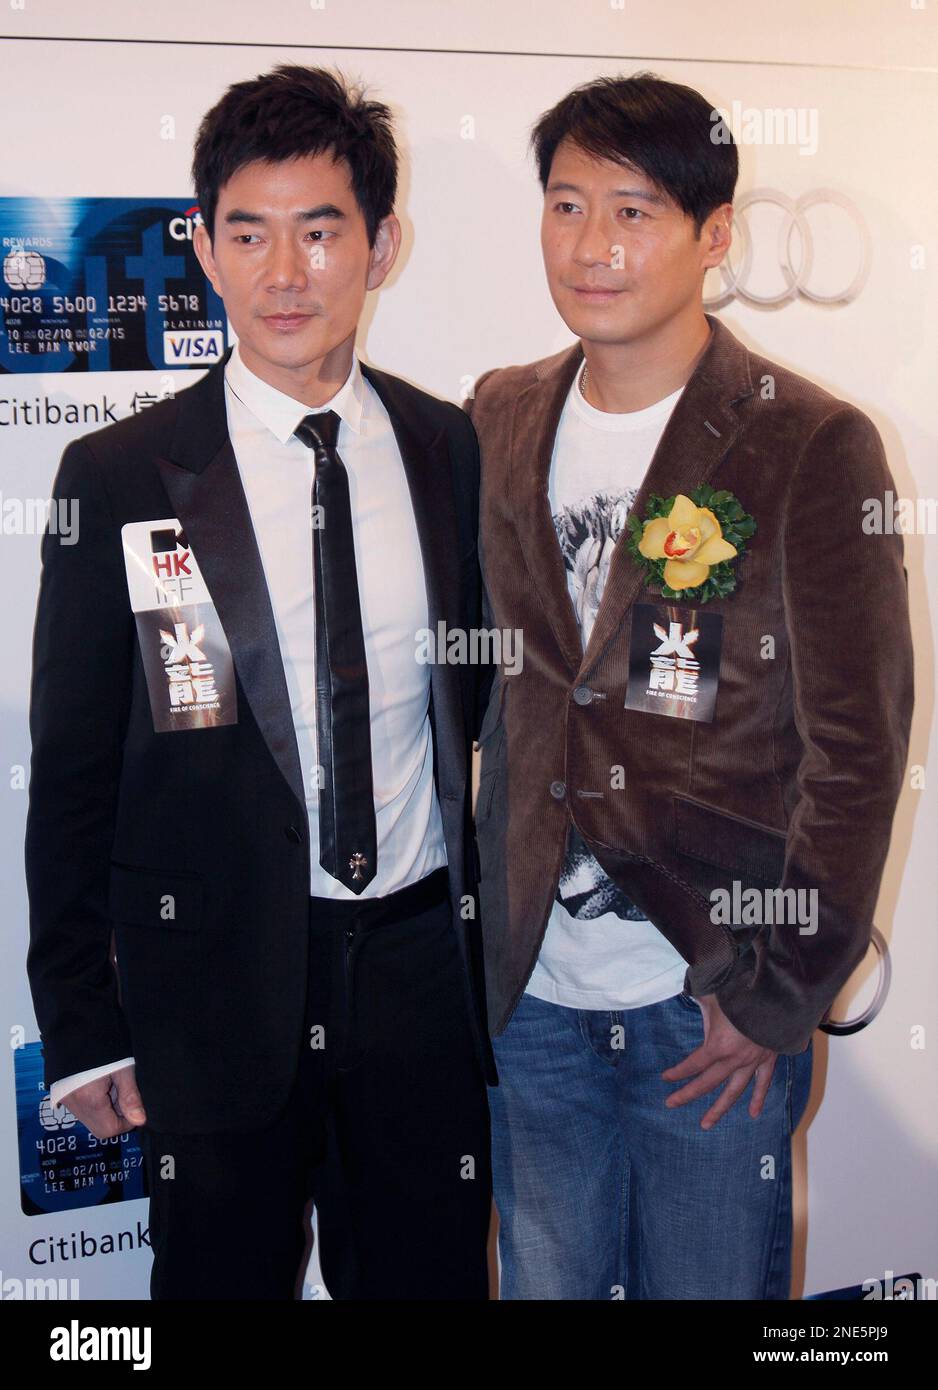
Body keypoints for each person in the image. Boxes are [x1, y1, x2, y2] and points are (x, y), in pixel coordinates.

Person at [25, 63, 494, 1301]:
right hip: (210, 990)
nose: (285, 274)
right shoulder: (120, 473)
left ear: (380, 245)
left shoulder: (446, 446)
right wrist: (80, 1024)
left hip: (413, 985)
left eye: (320, 230)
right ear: (205, 248)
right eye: (249, 232)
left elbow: (481, 700)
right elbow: (69, 765)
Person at [465, 72, 913, 1300]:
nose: (590, 247)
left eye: (632, 210)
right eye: (564, 207)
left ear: (713, 235)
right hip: (529, 994)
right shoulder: (499, 415)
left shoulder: (805, 440)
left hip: (703, 992)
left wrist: (772, 994)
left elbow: (859, 747)